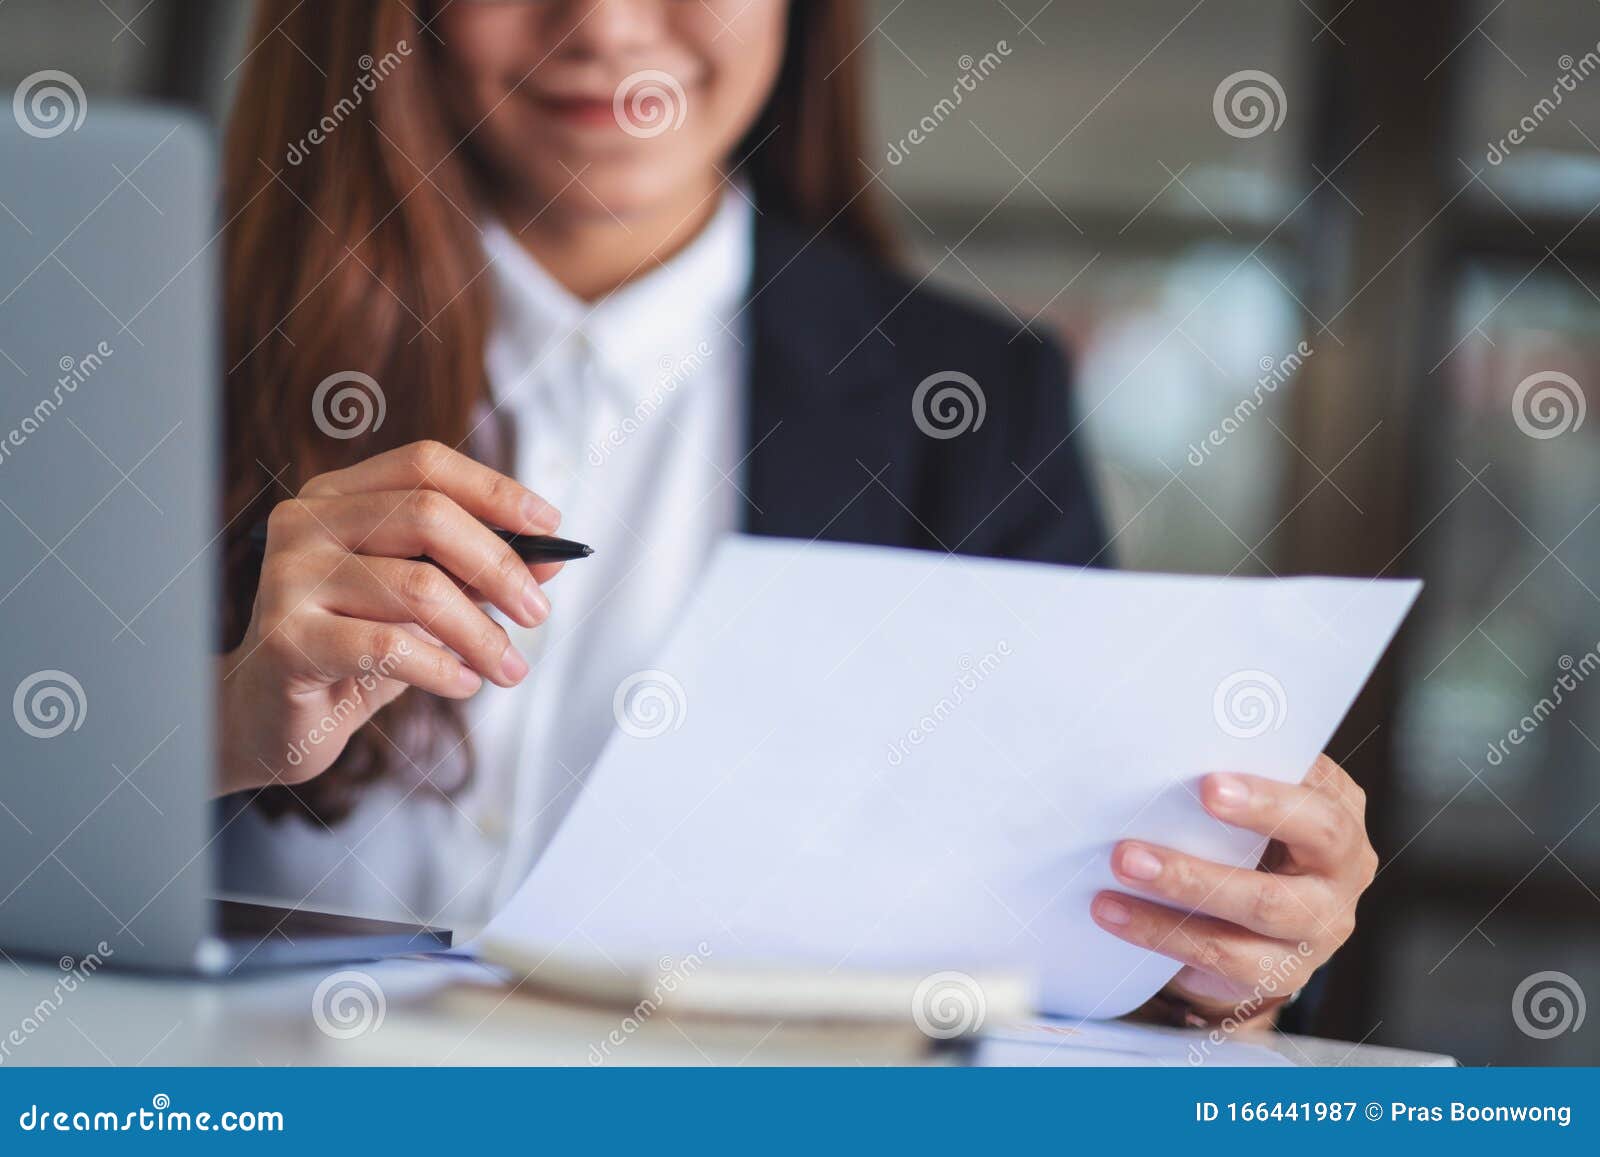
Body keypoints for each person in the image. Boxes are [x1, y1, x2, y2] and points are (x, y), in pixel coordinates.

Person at [216, 0, 1377, 1029]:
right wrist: (214, 724)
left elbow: (1076, 947)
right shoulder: (162, 349)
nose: (610, 25)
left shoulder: (974, 405)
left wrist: (1227, 965)